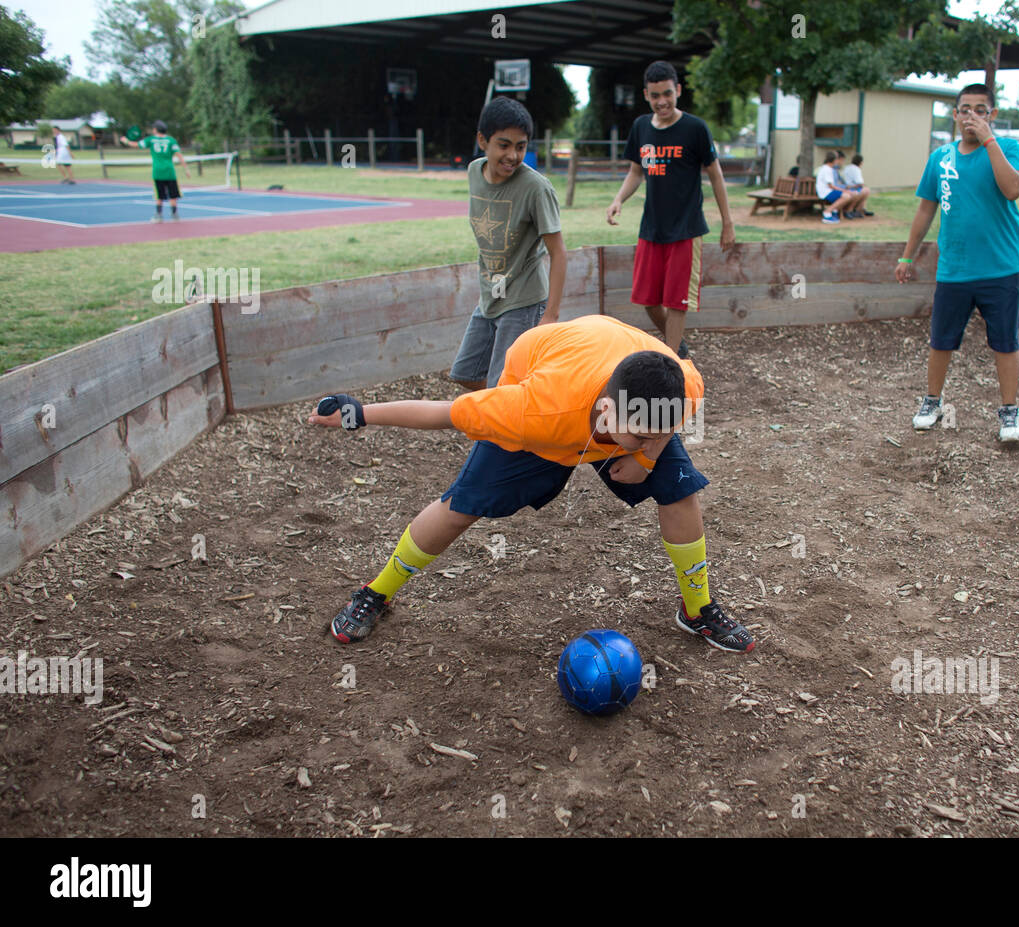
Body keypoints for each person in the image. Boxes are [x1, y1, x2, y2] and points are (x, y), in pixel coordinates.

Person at [307, 313, 755, 654]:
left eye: (661, 427)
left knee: (679, 490)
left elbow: (664, 421)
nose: (654, 435)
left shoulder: (680, 388)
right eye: (642, 433)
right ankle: (376, 593)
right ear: (604, 409)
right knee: (461, 506)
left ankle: (696, 609)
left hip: (611, 354)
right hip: (543, 372)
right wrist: (357, 413)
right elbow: (445, 413)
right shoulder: (532, 411)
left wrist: (645, 453)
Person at [895, 84, 1019, 443]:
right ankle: (932, 402)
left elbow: (1012, 189)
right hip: (955, 269)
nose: (971, 115)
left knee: (1005, 342)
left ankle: (1009, 412)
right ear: (954, 115)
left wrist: (989, 142)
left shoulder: (1008, 149)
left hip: (1002, 267)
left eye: (980, 110)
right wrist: (908, 255)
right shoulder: (940, 158)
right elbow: (926, 208)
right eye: (965, 109)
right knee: (941, 340)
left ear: (992, 115)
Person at [606, 60, 736, 360]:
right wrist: (618, 200)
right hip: (651, 228)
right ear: (646, 95)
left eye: (667, 93)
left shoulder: (695, 129)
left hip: (686, 229)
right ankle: (677, 347)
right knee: (648, 300)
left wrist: (727, 223)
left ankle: (673, 364)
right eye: (655, 96)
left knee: (677, 302)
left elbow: (715, 175)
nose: (662, 101)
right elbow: (636, 172)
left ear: (677, 90)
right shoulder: (640, 128)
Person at [449, 96, 566, 391]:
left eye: (521, 146)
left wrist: (550, 315)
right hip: (490, 296)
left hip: (524, 301)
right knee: (465, 372)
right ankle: (510, 413)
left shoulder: (536, 188)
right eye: (504, 145)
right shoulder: (474, 172)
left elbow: (558, 253)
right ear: (482, 140)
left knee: (503, 386)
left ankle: (506, 424)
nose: (513, 155)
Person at [137, 121, 189, 222]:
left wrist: (126, 141)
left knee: (159, 195)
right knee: (173, 195)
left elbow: (137, 144)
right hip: (170, 171)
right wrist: (186, 169)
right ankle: (175, 215)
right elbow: (179, 155)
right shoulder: (171, 140)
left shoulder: (151, 140)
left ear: (156, 130)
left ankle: (158, 215)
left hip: (158, 172)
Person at [815, 151, 868, 223]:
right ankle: (827, 213)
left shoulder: (829, 169)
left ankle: (834, 211)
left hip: (829, 191)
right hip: (826, 192)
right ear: (834, 160)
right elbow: (831, 186)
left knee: (849, 195)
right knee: (846, 196)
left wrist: (846, 189)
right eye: (837, 159)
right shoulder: (826, 169)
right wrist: (845, 191)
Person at [841, 153, 873, 218]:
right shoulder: (856, 169)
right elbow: (860, 183)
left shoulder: (847, 167)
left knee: (864, 190)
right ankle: (856, 210)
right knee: (866, 190)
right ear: (861, 162)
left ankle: (862, 209)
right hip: (851, 189)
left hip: (845, 187)